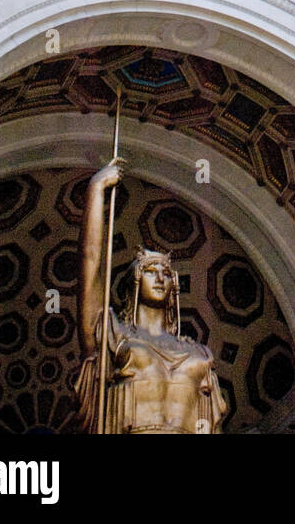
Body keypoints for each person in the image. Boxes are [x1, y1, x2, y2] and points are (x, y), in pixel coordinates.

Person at [75, 158, 227, 434]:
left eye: (166, 273)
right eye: (150, 271)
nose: (159, 278)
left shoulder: (199, 352)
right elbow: (91, 261)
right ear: (135, 281)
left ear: (174, 286)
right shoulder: (114, 336)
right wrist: (96, 190)